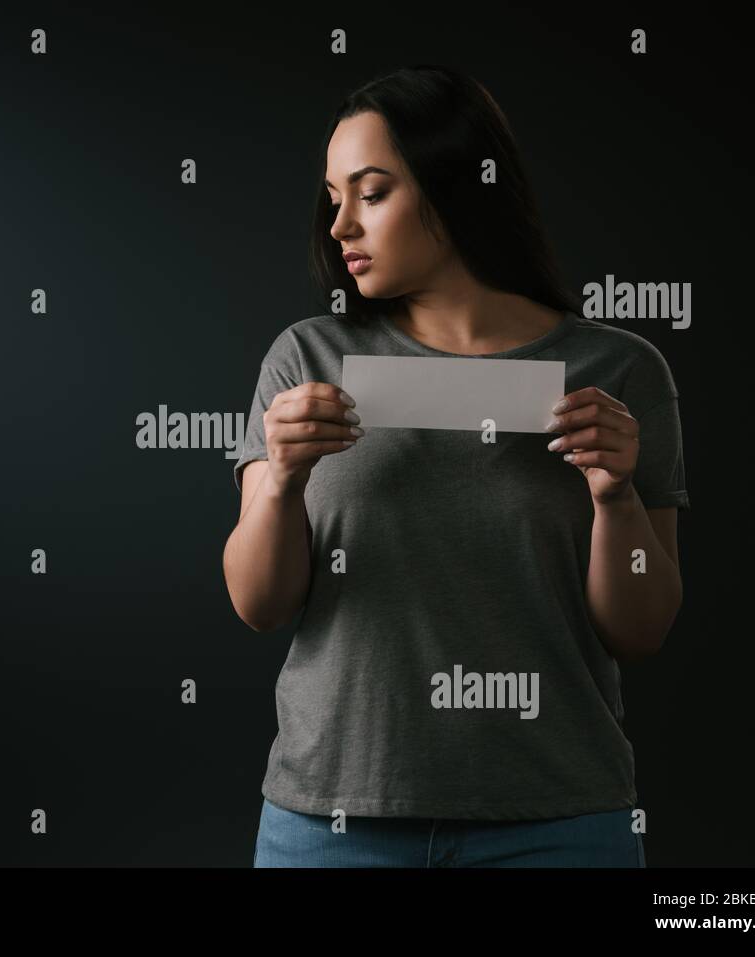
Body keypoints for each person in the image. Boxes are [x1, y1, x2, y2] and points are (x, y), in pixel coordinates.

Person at [222, 65, 689, 868]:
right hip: (333, 817)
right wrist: (282, 484)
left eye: (369, 193)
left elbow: (641, 629)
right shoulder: (306, 357)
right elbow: (258, 604)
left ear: (457, 187)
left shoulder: (618, 368)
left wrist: (615, 498)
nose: (339, 227)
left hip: (557, 815)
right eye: (332, 198)